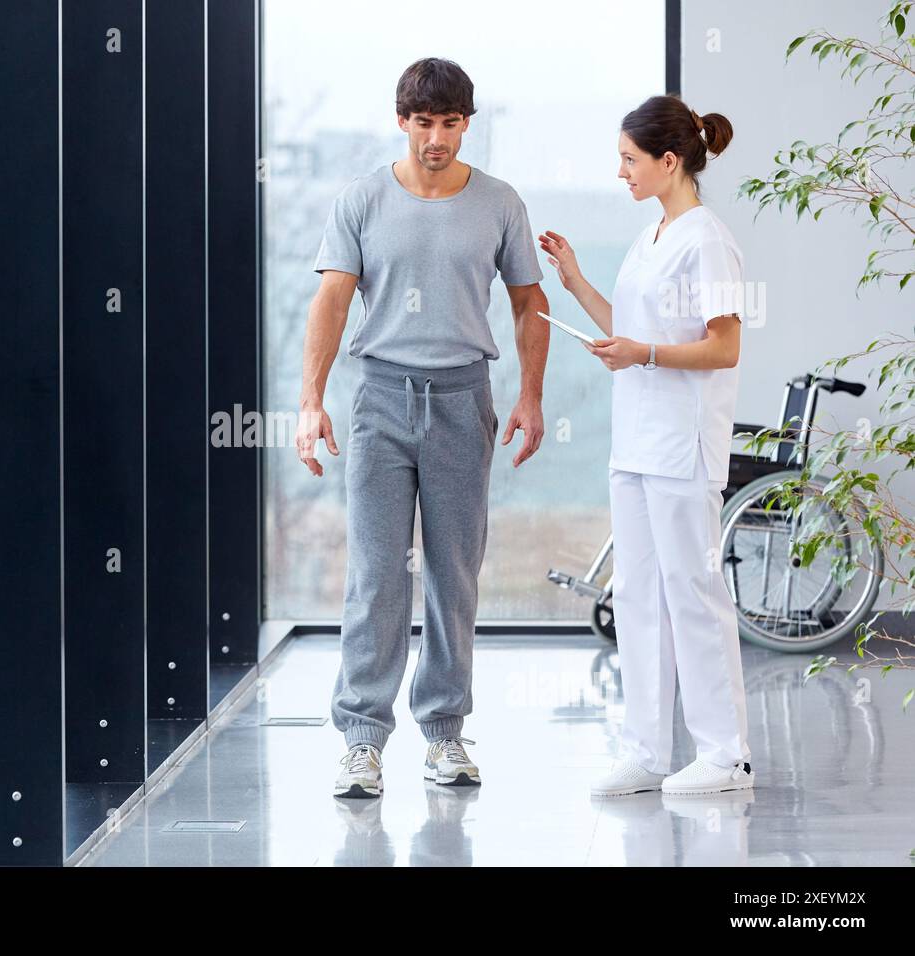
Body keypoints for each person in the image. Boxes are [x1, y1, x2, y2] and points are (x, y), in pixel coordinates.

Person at [296, 57, 550, 798]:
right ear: (401, 120)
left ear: (466, 123)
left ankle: (444, 735)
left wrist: (530, 397)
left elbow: (529, 303)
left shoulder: (500, 203)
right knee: (375, 577)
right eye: (423, 123)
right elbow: (332, 303)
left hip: (463, 400)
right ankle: (363, 742)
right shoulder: (363, 199)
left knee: (453, 575)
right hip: (380, 400)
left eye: (450, 123)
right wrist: (311, 399)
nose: (436, 138)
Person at [539, 94, 754, 797]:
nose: (622, 172)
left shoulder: (707, 238)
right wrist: (573, 283)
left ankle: (726, 756)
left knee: (692, 591)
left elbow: (723, 348)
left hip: (682, 444)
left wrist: (645, 355)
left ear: (670, 161)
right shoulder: (651, 235)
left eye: (631, 160)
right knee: (635, 594)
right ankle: (649, 750)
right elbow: (628, 327)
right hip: (633, 443)